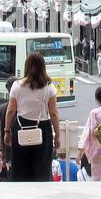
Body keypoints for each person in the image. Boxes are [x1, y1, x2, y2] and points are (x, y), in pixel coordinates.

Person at [4, 51, 60, 182]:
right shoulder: (49, 87)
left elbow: (11, 111)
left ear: (26, 66)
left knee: (20, 167)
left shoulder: (17, 86)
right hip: (43, 128)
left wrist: (7, 130)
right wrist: (57, 134)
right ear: (43, 66)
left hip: (21, 126)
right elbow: (53, 113)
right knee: (41, 168)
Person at [78, 85, 101, 182]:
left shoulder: (95, 113)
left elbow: (88, 132)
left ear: (97, 99)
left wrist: (80, 151)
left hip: (98, 149)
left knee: (98, 178)